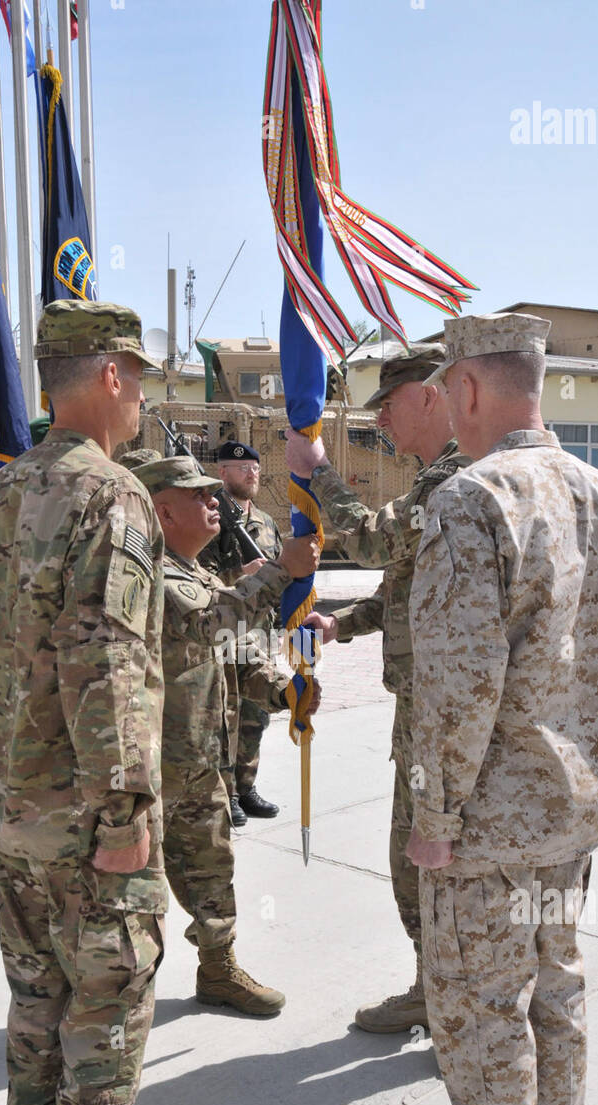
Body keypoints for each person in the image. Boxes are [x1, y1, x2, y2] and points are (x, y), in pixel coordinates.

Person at [394, 312, 598, 1105]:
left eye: (439, 390)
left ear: (467, 388)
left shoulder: (473, 500)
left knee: (478, 1005)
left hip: (484, 825)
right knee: (556, 990)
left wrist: (432, 817)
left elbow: (458, 684)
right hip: (571, 820)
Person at [0, 300, 181, 1105]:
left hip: (6, 807)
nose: (144, 397)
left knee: (38, 986)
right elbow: (107, 659)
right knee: (114, 986)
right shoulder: (108, 495)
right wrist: (124, 810)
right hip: (82, 810)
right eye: (141, 376)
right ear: (111, 374)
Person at [286, 344, 470, 1033]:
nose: (383, 425)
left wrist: (318, 471)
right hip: (423, 709)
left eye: (388, 408)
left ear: (429, 396)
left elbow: (366, 542)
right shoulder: (435, 479)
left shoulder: (455, 479)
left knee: (430, 862)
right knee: (414, 862)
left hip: (442, 715)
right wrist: (344, 624)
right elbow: (400, 583)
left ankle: (452, 1004)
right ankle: (437, 989)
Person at [130, 453, 320, 1016]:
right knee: (141, 887)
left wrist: (284, 691)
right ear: (162, 511)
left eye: (214, 493)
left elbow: (232, 653)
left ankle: (218, 969)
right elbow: (215, 619)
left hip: (200, 758)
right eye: (198, 495)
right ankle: (123, 995)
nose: (214, 501)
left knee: (212, 868)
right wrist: (280, 570)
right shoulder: (151, 573)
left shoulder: (196, 571)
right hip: (150, 765)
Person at [200, 440, 284, 827]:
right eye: (242, 468)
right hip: (224, 632)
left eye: (255, 466)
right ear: (223, 473)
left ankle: (247, 786)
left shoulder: (266, 522)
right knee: (224, 716)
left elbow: (282, 573)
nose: (252, 473)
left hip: (260, 633)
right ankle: (226, 792)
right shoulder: (213, 520)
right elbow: (201, 579)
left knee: (256, 714)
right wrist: (241, 575)